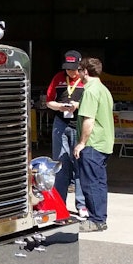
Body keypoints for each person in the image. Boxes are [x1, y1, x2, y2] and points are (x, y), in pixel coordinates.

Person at [73, 57, 114, 232]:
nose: (78, 74)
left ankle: (96, 220)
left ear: (85, 72)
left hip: (93, 144)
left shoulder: (89, 91)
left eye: (79, 70)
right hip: (104, 143)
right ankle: (100, 218)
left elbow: (89, 120)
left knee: (89, 183)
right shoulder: (103, 89)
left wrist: (81, 143)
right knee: (99, 183)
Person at [44, 50, 87, 219]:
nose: (71, 72)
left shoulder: (85, 81)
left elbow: (92, 103)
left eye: (74, 69)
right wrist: (60, 107)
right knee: (61, 164)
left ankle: (82, 204)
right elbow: (49, 101)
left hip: (78, 124)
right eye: (68, 69)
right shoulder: (58, 78)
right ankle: (60, 203)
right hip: (60, 123)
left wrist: (78, 105)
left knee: (79, 164)